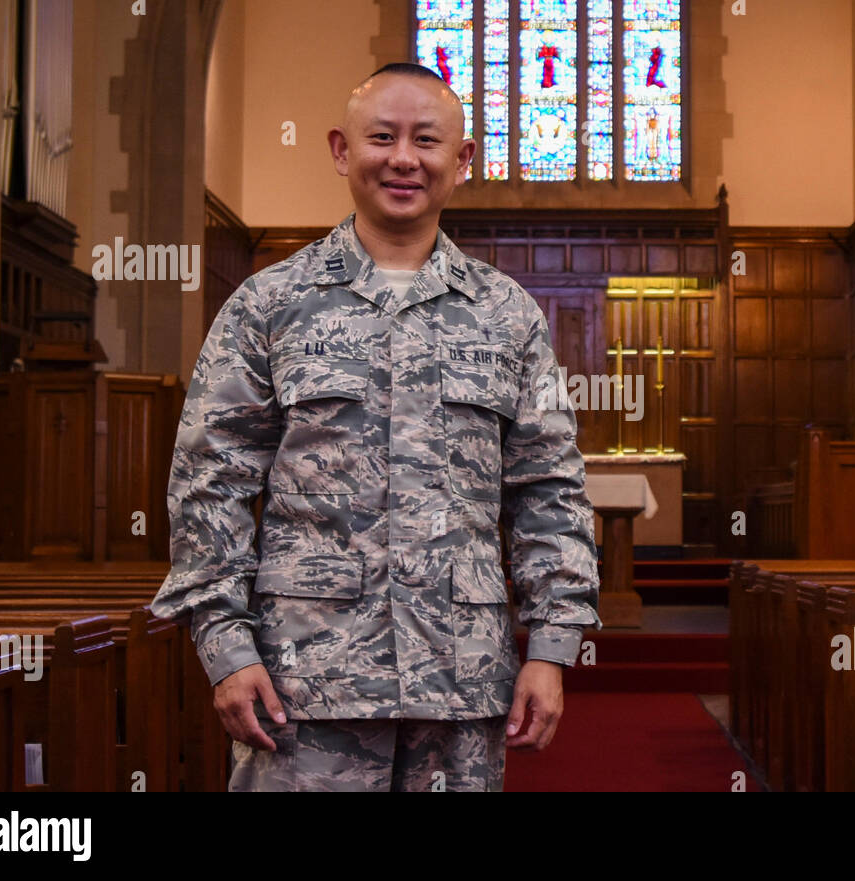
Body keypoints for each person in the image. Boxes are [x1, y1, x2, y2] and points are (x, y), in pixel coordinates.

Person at [151, 62, 601, 792]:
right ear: (340, 150)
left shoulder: (507, 314)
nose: (403, 158)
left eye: (426, 140)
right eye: (381, 137)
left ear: (462, 162)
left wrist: (551, 648)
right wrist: (226, 648)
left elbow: (550, 489)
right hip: (303, 689)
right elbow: (209, 484)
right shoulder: (269, 304)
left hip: (461, 686)